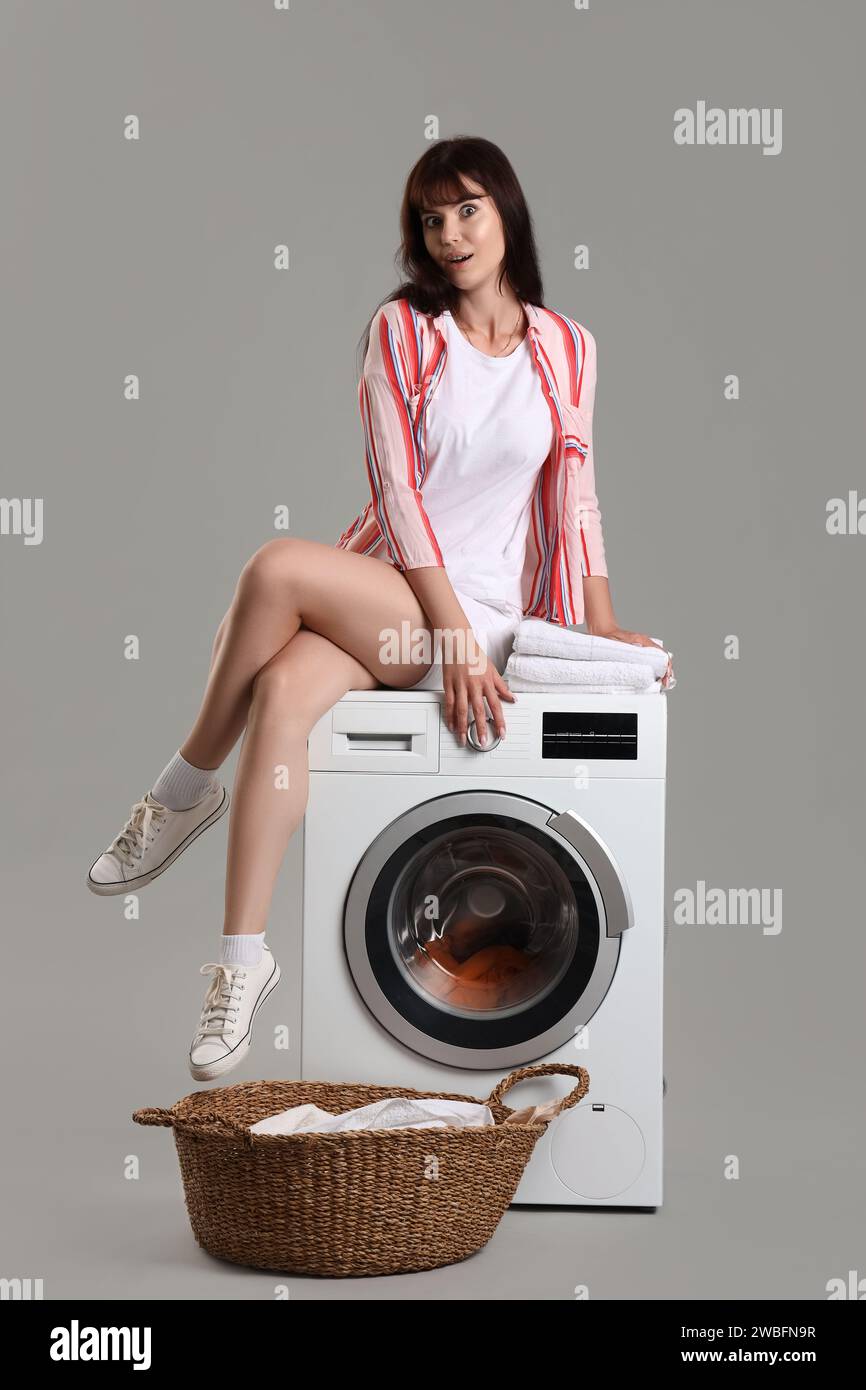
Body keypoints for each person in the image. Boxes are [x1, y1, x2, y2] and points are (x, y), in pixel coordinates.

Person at [86, 135, 669, 1082]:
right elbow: (399, 497)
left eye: (467, 210)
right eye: (431, 220)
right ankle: (241, 962)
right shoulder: (403, 332)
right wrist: (440, 633)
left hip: (480, 618)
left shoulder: (568, 348)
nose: (449, 235)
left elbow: (579, 493)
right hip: (404, 592)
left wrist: (597, 627)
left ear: (507, 212)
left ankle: (182, 790)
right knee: (281, 692)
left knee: (276, 568)